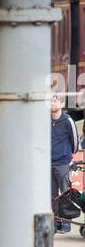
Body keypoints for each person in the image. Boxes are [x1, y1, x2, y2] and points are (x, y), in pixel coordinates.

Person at [50, 94, 77, 233]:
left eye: (54, 101)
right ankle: (55, 222)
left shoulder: (68, 121)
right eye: (50, 101)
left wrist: (68, 156)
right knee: (52, 195)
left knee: (66, 193)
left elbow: (75, 142)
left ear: (61, 103)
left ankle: (67, 223)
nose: (52, 103)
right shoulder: (45, 120)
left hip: (63, 162)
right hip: (49, 163)